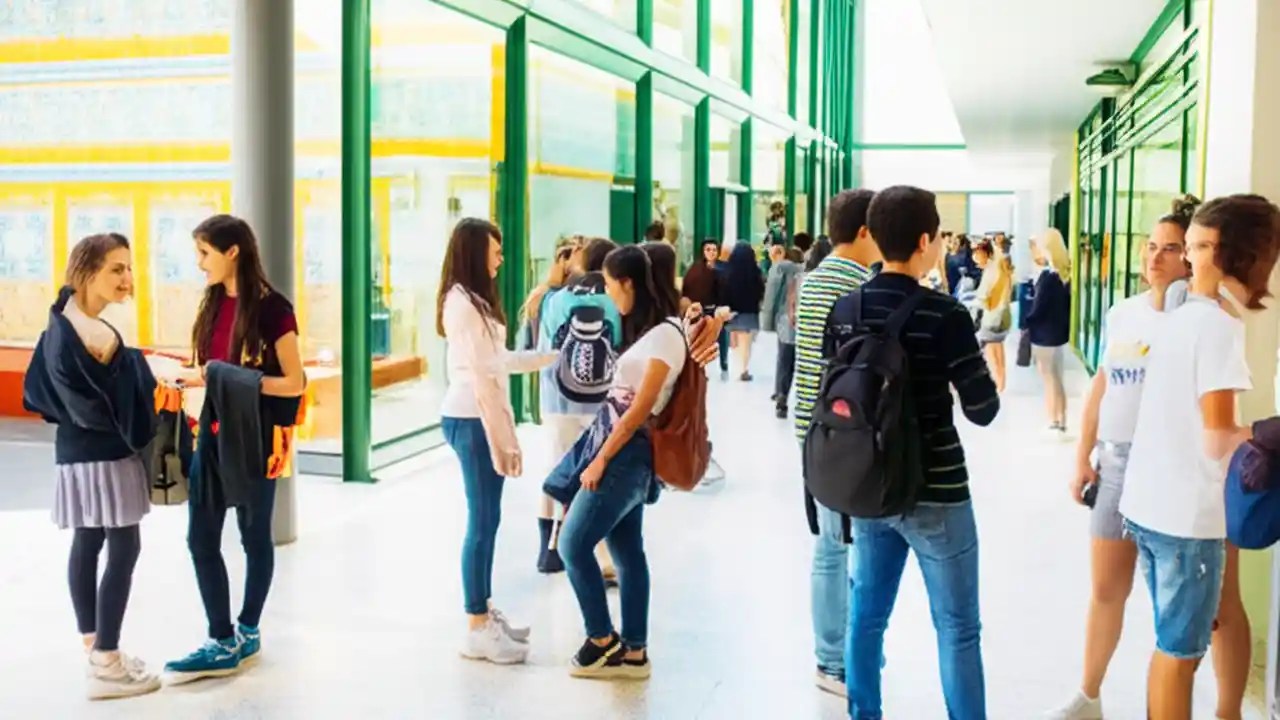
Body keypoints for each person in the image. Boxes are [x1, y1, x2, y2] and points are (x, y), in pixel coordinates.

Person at [831, 186, 999, 720]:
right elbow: (983, 409)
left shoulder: (845, 309)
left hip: (870, 485)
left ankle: (865, 713)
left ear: (875, 237)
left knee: (867, 617)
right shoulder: (945, 314)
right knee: (957, 628)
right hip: (937, 491)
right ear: (926, 242)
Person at [1118, 195, 1280, 720]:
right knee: (1180, 654)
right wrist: (1264, 432)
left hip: (1150, 508)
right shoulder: (1215, 328)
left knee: (1172, 646)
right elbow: (1216, 439)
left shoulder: (1182, 318)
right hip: (1187, 521)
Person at [1047, 198, 1197, 720]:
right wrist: (1082, 456)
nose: (1155, 256)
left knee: (1172, 604)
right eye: (1151, 246)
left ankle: (1169, 701)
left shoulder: (1196, 320)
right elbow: (1103, 385)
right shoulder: (1123, 312)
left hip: (1170, 470)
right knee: (1106, 589)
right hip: (1115, 466)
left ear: (1191, 259)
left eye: (1170, 248)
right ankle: (1089, 695)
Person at [162, 215, 307, 684]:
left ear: (232, 253)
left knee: (253, 537)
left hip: (259, 439)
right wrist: (196, 376)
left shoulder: (273, 310)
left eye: (204, 253)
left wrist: (227, 378)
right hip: (213, 432)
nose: (198, 263)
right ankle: (221, 639)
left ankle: (248, 630)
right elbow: (210, 367)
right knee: (200, 537)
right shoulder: (211, 304)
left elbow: (294, 383)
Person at [22, 234, 162, 699]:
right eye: (116, 269)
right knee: (125, 547)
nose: (127, 278)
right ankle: (107, 660)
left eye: (128, 268)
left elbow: (43, 391)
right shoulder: (98, 334)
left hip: (73, 453)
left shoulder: (59, 320)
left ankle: (94, 645)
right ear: (87, 272)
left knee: (88, 540)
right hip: (107, 453)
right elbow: (121, 404)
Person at [551, 245, 692, 679]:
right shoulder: (658, 330)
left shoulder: (666, 335)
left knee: (572, 544)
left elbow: (638, 409)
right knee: (628, 551)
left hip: (626, 453)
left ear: (628, 283)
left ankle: (602, 640)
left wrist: (600, 461)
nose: (609, 297)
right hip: (624, 450)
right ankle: (634, 653)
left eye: (611, 286)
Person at [436, 218, 557, 664]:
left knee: (487, 520)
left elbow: (496, 365)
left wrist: (548, 355)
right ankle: (476, 624)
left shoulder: (471, 300)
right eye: (495, 250)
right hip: (472, 417)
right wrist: (503, 437)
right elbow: (488, 374)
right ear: (474, 252)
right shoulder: (463, 305)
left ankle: (483, 612)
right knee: (482, 521)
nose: (501, 258)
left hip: (477, 414)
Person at [792, 189, 880, 697]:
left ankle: (840, 651)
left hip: (814, 431)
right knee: (839, 547)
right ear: (865, 233)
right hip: (843, 436)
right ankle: (835, 659)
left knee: (833, 544)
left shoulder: (815, 278)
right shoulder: (858, 284)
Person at [534, 238, 622, 577]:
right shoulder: (614, 299)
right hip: (601, 404)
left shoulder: (554, 299)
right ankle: (599, 557)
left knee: (556, 472)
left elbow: (544, 349)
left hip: (558, 401)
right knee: (592, 476)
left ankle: (549, 550)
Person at [1026, 228, 1072, 434]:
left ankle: (1054, 419)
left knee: (1049, 380)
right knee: (1057, 379)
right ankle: (1061, 419)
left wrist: (1027, 321)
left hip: (1043, 337)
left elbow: (1037, 310)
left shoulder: (1047, 278)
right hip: (1058, 335)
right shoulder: (1064, 276)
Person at [763, 244, 803, 418]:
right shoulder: (807, 272)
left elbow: (771, 297)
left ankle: (781, 394)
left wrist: (768, 322)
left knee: (784, 358)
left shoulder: (780, 269)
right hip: (805, 320)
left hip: (785, 319)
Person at [971, 237, 1013, 393]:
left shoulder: (992, 271)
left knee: (992, 353)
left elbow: (987, 297)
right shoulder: (999, 266)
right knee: (998, 350)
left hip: (992, 316)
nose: (975, 260)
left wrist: (979, 301)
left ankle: (997, 384)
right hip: (1002, 314)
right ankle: (1002, 382)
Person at [724, 242, 764, 381]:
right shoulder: (755, 272)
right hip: (749, 312)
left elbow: (724, 292)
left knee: (734, 343)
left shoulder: (728, 272)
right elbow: (760, 292)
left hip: (733, 312)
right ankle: (744, 369)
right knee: (746, 344)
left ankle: (734, 369)